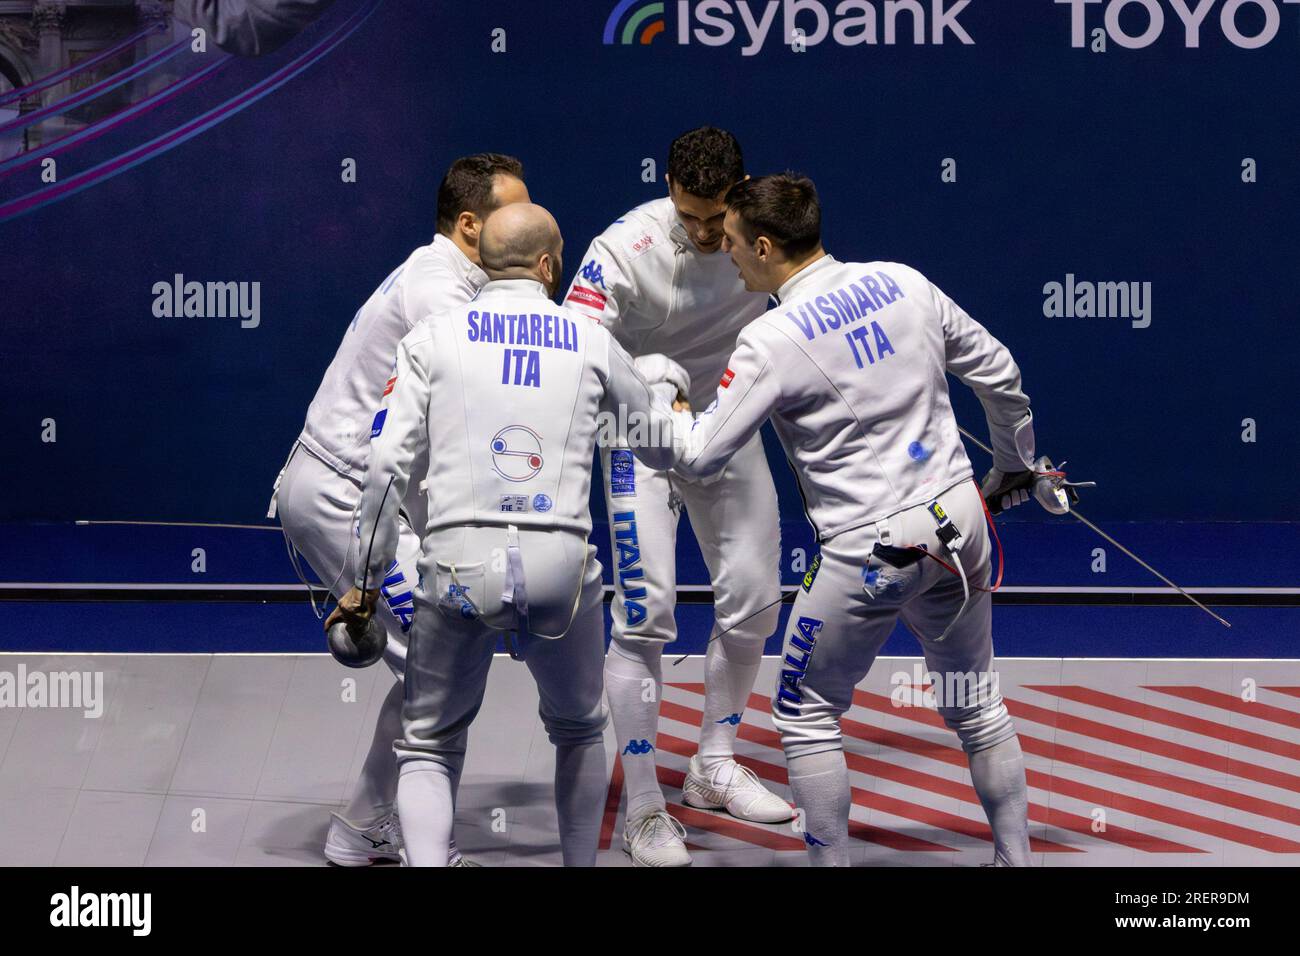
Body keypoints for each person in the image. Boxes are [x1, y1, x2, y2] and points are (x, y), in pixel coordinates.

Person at [668, 172, 1039, 867]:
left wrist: (662, 396)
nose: (729, 256)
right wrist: (1015, 463)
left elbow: (699, 460)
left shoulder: (769, 339)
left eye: (736, 244)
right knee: (977, 705)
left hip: (872, 548)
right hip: (959, 524)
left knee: (806, 715)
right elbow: (1000, 373)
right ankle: (1016, 861)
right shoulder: (904, 281)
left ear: (769, 244)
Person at [326, 203, 685, 866]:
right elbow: (662, 450)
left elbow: (384, 468)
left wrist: (368, 582)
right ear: (549, 266)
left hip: (458, 567)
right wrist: (667, 387)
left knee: (429, 744)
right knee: (578, 731)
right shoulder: (589, 339)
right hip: (561, 570)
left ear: (484, 260)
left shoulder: (431, 338)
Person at [271, 153, 528, 865]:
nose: (527, 227)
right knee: (444, 668)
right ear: (472, 224)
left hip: (362, 495)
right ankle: (421, 848)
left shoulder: (463, 282)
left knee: (438, 666)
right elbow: (477, 410)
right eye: (513, 213)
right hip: (344, 494)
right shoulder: (439, 289)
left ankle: (361, 826)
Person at [564, 126, 790, 868]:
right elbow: (574, 346)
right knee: (647, 612)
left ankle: (713, 764)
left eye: (714, 215)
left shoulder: (758, 237)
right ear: (666, 184)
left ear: (739, 191)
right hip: (640, 430)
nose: (700, 230)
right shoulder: (622, 248)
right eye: (687, 213)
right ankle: (642, 804)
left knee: (757, 598)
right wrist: (650, 378)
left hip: (726, 422)